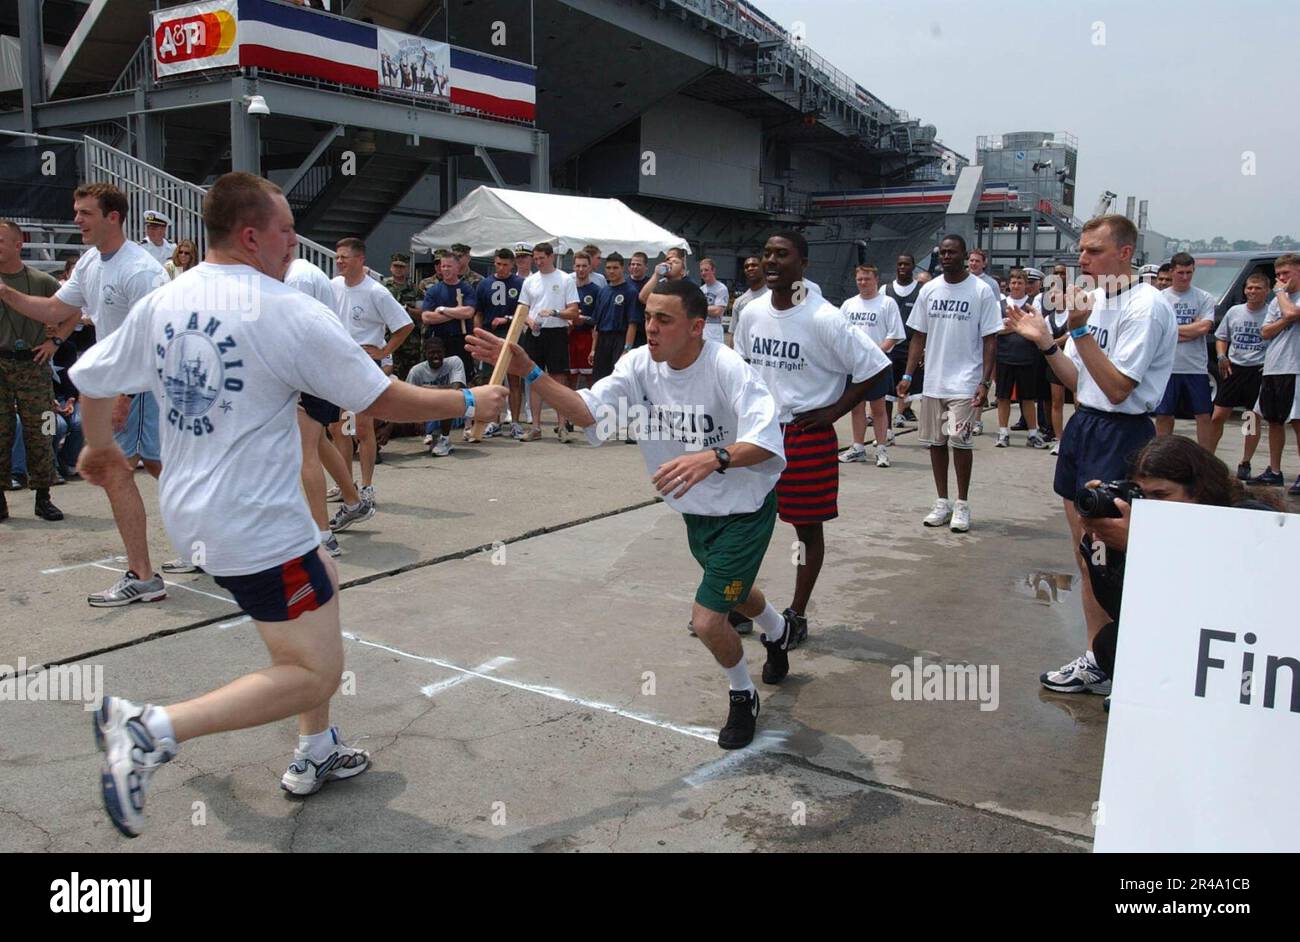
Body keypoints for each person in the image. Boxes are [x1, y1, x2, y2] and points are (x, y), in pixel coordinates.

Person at [74, 171, 507, 837]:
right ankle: (150, 729)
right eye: (285, 233)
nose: (293, 247)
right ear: (250, 235)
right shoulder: (285, 309)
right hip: (254, 524)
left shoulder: (166, 299)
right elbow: (379, 398)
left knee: (323, 579)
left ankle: (318, 745)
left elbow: (93, 377)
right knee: (311, 671)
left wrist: (100, 446)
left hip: (196, 516)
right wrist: (471, 401)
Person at [468, 280, 796, 750]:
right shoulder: (639, 365)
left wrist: (711, 458)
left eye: (665, 320)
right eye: (650, 317)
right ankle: (779, 631)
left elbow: (765, 440)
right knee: (733, 590)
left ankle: (742, 695)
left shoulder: (727, 367)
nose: (652, 328)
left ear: (697, 327)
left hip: (745, 509)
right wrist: (532, 371)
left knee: (708, 618)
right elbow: (585, 413)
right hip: (694, 510)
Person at [1002, 213, 1177, 696]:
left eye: (1094, 251)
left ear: (1125, 254)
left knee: (1113, 557)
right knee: (1085, 555)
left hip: (1122, 434)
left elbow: (1120, 389)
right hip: (1086, 427)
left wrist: (1076, 332)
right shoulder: (1094, 302)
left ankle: (1132, 657)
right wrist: (1044, 344)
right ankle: (1098, 657)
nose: (1082, 259)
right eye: (1081, 249)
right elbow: (1080, 383)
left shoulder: (1147, 306)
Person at [0, 185, 169, 604]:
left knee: (119, 474)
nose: (76, 219)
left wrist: (125, 394)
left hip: (139, 385)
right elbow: (55, 310)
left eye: (85, 213)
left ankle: (143, 576)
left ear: (113, 217)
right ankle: (222, 549)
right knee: (167, 471)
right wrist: (4, 292)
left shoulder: (140, 270)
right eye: (76, 211)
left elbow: (154, 337)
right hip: (121, 384)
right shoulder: (92, 262)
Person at [733, 230, 892, 640]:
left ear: (803, 263)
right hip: (760, 433)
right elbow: (746, 370)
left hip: (805, 435)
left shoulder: (824, 317)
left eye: (781, 255)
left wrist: (834, 410)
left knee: (806, 530)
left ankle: (797, 612)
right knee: (742, 524)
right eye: (766, 253)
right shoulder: (751, 312)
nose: (771, 261)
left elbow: (876, 366)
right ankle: (739, 602)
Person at [1074, 435, 1280, 709]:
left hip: (1254, 650)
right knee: (1111, 642)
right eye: (1141, 495)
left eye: (1161, 495)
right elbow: (1128, 613)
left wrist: (1145, 543)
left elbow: (1234, 601)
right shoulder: (1146, 527)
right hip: (1198, 644)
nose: (1149, 505)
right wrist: (1103, 548)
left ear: (1200, 490)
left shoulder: (1250, 517)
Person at [897, 234, 1001, 533]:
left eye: (952, 252)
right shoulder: (928, 289)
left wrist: (984, 381)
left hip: (965, 381)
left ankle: (962, 504)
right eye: (942, 252)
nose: (945, 257)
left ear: (964, 255)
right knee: (936, 443)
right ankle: (942, 501)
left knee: (960, 441)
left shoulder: (981, 291)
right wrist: (907, 376)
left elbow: (990, 340)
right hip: (934, 381)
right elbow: (918, 335)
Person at [284, 256, 368, 556]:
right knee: (319, 441)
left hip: (311, 371)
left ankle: (323, 535)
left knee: (306, 450)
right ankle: (354, 501)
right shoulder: (302, 273)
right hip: (319, 368)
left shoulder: (297, 279)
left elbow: (298, 332)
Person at [331, 237, 413, 508]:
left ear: (360, 260)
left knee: (363, 428)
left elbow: (404, 325)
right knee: (340, 429)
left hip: (365, 366)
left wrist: (383, 350)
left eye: (344, 257)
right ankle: (345, 484)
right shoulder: (332, 287)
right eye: (337, 256)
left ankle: (366, 486)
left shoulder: (376, 292)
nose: (339, 261)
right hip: (338, 364)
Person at [0, 220, 64, 522]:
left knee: (42, 428)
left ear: (17, 244)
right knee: (0, 432)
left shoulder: (40, 281)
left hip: (33, 363)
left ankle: (43, 495)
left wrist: (55, 340)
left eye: (1, 240)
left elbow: (72, 309)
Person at [837, 264, 904, 467]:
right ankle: (858, 447)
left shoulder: (887, 303)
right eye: (859, 279)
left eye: (867, 279)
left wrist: (875, 353)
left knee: (879, 409)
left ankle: (881, 449)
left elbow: (894, 335)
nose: (863, 283)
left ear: (876, 280)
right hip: (854, 366)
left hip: (877, 365)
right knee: (856, 408)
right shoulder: (849, 305)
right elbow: (839, 334)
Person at [515, 242, 578, 442]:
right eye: (536, 259)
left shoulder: (565, 279)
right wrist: (530, 320)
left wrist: (555, 312)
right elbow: (522, 310)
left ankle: (562, 426)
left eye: (542, 258)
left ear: (551, 257)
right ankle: (535, 427)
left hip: (557, 332)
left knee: (559, 380)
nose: (539, 262)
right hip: (535, 334)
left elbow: (574, 311)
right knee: (534, 380)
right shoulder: (530, 281)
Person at [1209, 271, 1269, 478]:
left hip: (1258, 370)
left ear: (1267, 291)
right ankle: (1209, 459)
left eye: (1258, 288)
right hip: (1234, 368)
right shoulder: (1235, 311)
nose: (1252, 292)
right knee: (1217, 417)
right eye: (1249, 288)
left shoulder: (1271, 313)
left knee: (1251, 418)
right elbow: (1221, 337)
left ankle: (1245, 462)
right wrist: (1221, 356)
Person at [1154, 252, 1216, 447]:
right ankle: (1162, 457)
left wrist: (1171, 331)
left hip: (1195, 367)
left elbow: (1204, 328)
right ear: (1172, 271)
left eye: (1189, 272)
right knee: (1164, 414)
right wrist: (1190, 329)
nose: (1185, 277)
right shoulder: (1160, 298)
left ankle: (1206, 459)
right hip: (1167, 367)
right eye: (1181, 272)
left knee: (1204, 415)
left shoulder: (1203, 297)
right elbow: (1156, 331)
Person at [1252, 254, 1300, 492]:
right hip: (1274, 366)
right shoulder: (1276, 303)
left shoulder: (1281, 297)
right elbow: (1266, 331)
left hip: (1295, 366)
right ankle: (1275, 470)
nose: (1281, 279)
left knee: (1298, 421)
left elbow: (1292, 314)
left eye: (1286, 274)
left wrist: (1281, 295)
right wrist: (1284, 317)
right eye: (1278, 275)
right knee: (1274, 420)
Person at [993, 268, 1048, 449]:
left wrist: (1010, 325)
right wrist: (1020, 326)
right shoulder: (999, 303)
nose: (1016, 286)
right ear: (1009, 284)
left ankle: (1033, 434)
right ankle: (1002, 433)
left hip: (1027, 357)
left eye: (1020, 283)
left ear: (1026, 285)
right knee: (1003, 397)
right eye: (1014, 282)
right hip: (1004, 356)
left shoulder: (1034, 304)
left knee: (1028, 398)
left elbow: (1036, 328)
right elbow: (995, 329)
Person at [475, 248, 524, 435]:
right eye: (498, 264)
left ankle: (515, 422)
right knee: (491, 379)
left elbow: (525, 310)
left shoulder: (520, 283)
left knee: (514, 377)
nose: (501, 268)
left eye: (505, 264)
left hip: (512, 332)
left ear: (512, 264)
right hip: (490, 333)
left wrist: (508, 319)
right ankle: (493, 421)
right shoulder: (484, 284)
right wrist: (478, 333)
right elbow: (478, 312)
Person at [407, 337, 467, 456]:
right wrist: (416, 418)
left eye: (439, 352)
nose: (436, 356)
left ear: (444, 351)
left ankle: (444, 438)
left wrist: (429, 389)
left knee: (448, 398)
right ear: (425, 353)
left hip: (454, 412)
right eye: (432, 353)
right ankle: (432, 434)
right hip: (425, 412)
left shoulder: (454, 362)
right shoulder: (416, 371)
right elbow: (407, 397)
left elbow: (455, 390)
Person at [588, 252, 640, 384]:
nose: (611, 271)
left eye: (615, 268)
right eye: (609, 268)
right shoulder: (603, 291)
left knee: (617, 380)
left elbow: (632, 323)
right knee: (599, 380)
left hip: (620, 339)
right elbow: (597, 325)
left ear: (622, 268)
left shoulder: (631, 291)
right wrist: (593, 349)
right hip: (602, 340)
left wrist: (626, 349)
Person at [885, 253, 923, 426]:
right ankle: (887, 432)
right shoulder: (885, 290)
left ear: (913, 266)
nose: (902, 267)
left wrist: (925, 349)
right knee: (887, 394)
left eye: (906, 264)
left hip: (913, 347)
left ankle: (928, 431)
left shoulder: (922, 291)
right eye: (899, 264)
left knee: (919, 393)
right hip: (891, 348)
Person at [383, 252, 425, 381]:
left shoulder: (415, 289)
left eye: (402, 267)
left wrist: (407, 310)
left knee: (409, 375)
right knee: (387, 374)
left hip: (410, 340)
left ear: (407, 269)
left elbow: (421, 314)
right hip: (388, 337)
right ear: (391, 267)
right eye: (396, 266)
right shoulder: (382, 287)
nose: (398, 270)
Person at [565, 252, 598, 397]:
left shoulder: (596, 290)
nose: (581, 269)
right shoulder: (567, 288)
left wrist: (583, 318)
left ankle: (593, 413)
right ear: (573, 267)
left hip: (588, 337)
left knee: (591, 378)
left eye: (584, 266)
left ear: (590, 267)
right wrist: (569, 320)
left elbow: (598, 319)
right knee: (570, 378)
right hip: (570, 336)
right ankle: (570, 414)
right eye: (578, 266)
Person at [730, 255, 768, 335]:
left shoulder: (775, 296)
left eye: (754, 265)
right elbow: (734, 335)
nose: (750, 268)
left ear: (763, 268)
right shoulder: (739, 302)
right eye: (746, 267)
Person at [699, 257, 729, 344]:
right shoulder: (701, 289)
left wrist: (699, 307)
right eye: (701, 271)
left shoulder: (721, 288)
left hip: (714, 328)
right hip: (702, 327)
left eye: (706, 270)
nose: (703, 273)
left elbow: (717, 311)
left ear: (713, 270)